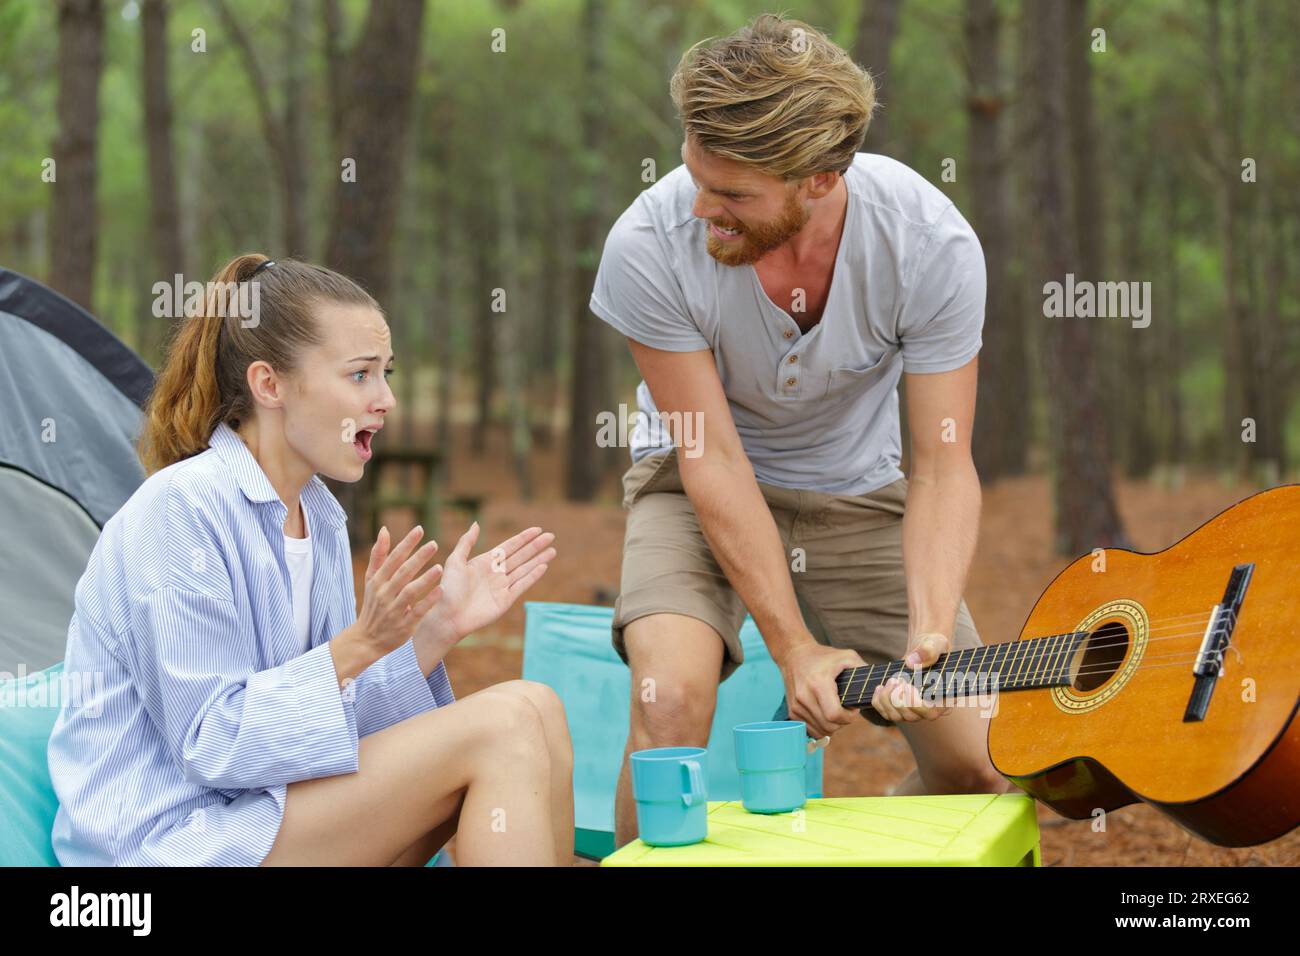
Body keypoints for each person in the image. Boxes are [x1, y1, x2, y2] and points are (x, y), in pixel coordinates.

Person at [589, 14, 1017, 847]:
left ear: (821, 178)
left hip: (858, 489)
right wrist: (794, 649)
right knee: (670, 702)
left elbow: (940, 463)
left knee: (972, 762)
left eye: (736, 195)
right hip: (692, 485)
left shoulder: (930, 245)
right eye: (695, 177)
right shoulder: (646, 243)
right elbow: (708, 455)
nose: (702, 209)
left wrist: (927, 635)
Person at [48, 253, 572, 866]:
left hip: (270, 815)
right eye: (360, 375)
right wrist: (359, 645)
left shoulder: (318, 517)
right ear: (270, 385)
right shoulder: (178, 513)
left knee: (538, 706)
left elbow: (337, 728)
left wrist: (432, 631)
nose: (386, 400)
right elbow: (213, 744)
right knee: (505, 724)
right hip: (175, 844)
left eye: (387, 373)